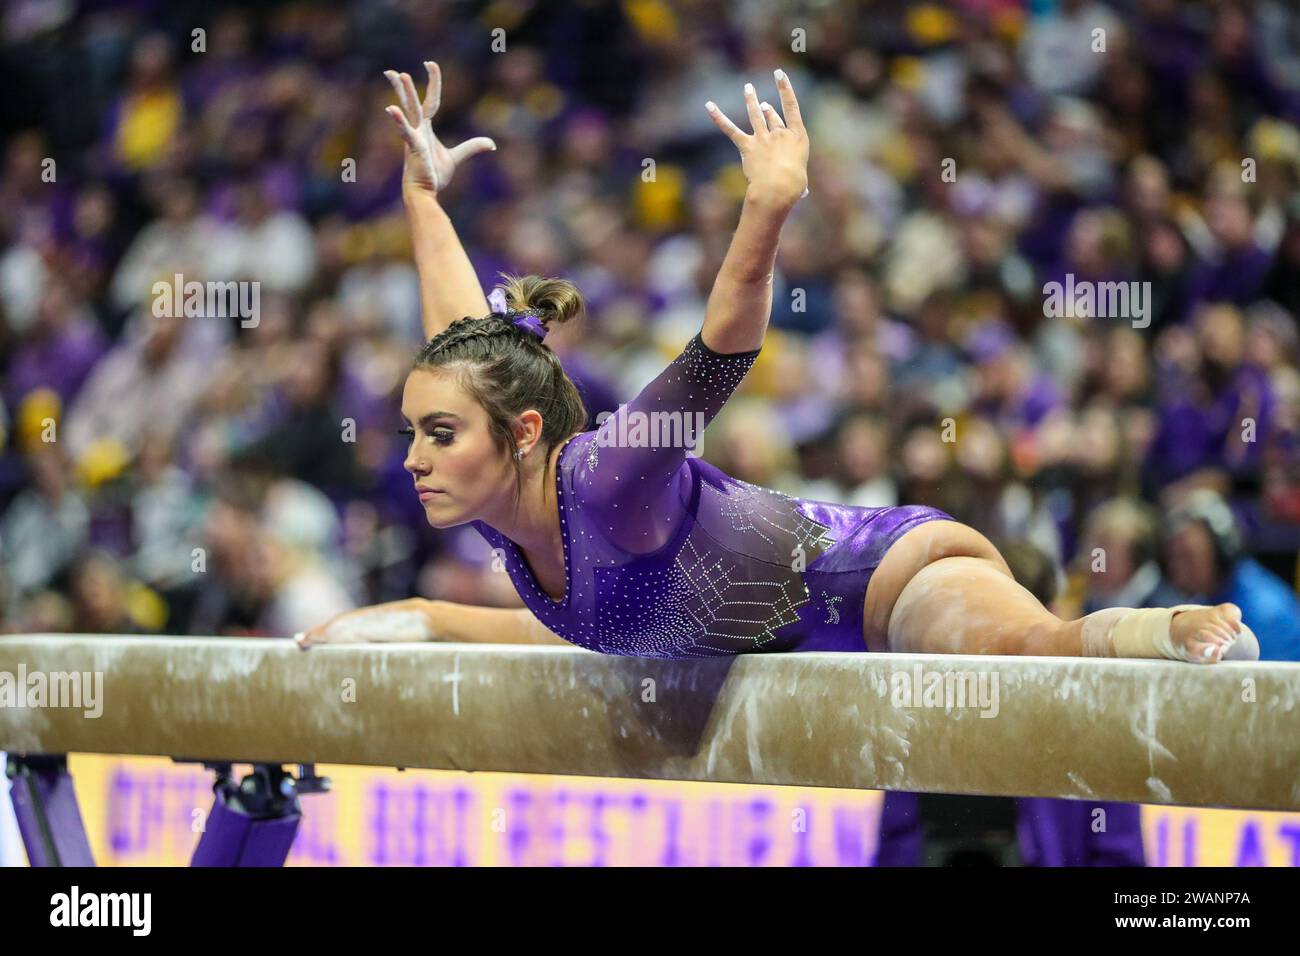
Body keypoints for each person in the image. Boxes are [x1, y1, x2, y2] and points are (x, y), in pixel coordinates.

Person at [301, 62, 1258, 666]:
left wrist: (766, 210)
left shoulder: (602, 478)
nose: (412, 459)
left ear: (522, 432)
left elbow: (719, 354)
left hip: (887, 579)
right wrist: (423, 198)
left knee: (1030, 657)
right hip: (790, 643)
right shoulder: (509, 509)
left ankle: (1161, 630)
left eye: (436, 435)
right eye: (413, 433)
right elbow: (461, 350)